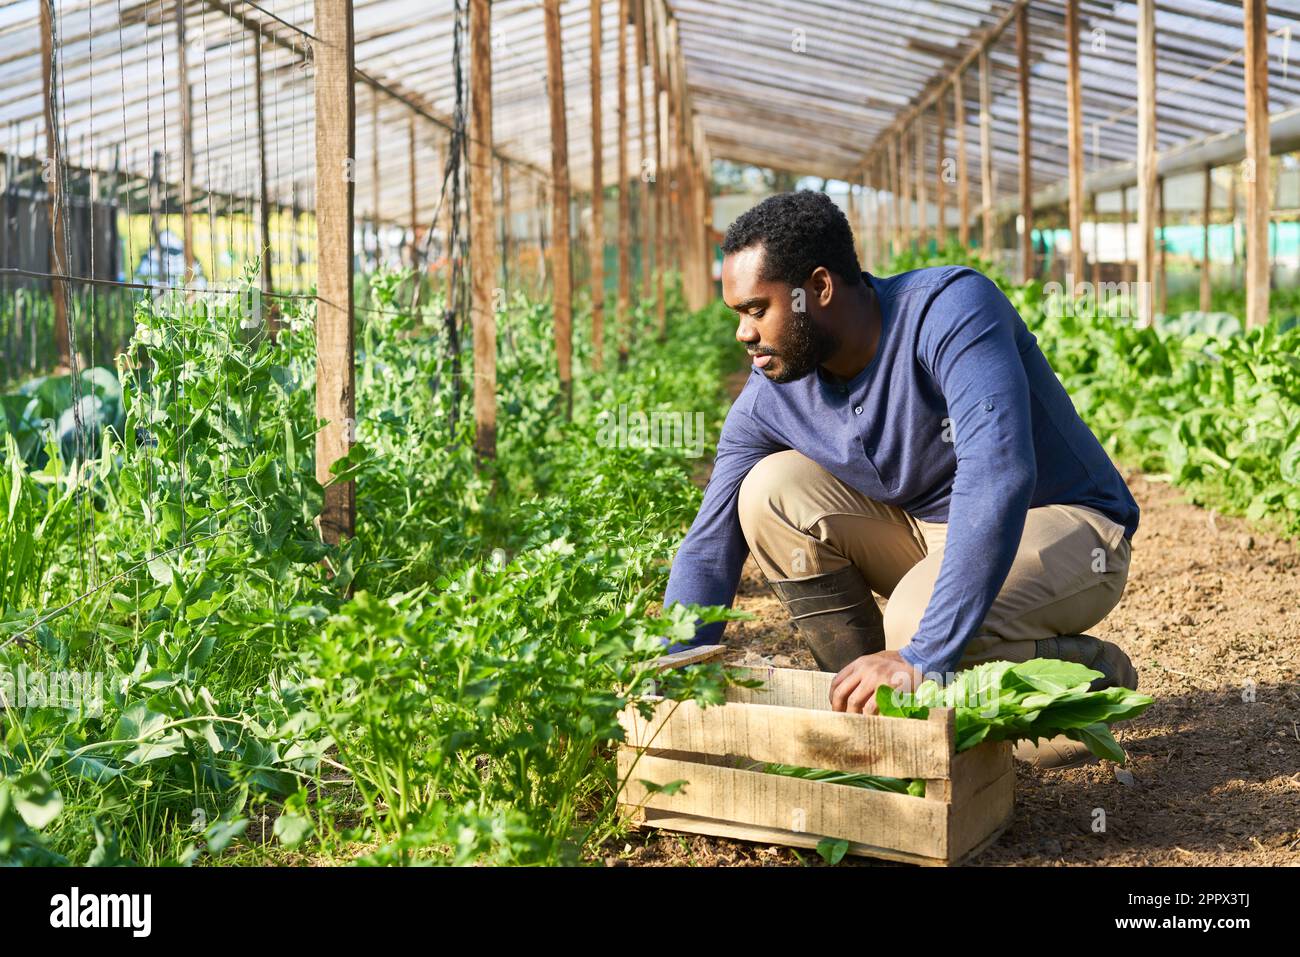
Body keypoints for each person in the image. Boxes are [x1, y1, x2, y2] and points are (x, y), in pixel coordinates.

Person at [661, 189, 1141, 768]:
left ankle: (1088, 673)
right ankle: (877, 712)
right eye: (736, 314)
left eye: (756, 309)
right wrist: (668, 668)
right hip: (925, 533)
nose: (743, 333)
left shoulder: (949, 308)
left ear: (818, 288)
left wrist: (921, 654)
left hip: (1064, 525)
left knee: (919, 624)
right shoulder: (770, 396)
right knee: (767, 491)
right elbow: (710, 545)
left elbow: (998, 475)